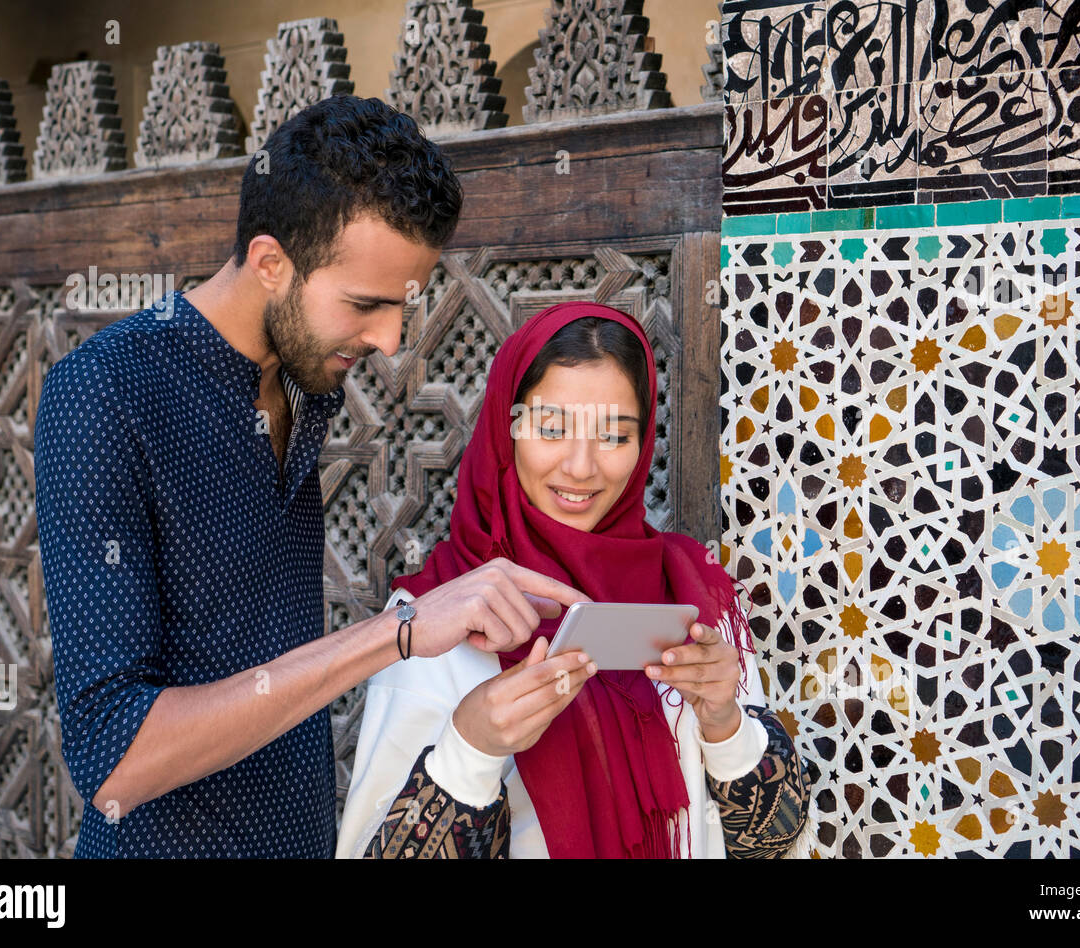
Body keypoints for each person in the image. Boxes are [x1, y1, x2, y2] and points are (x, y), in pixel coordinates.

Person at [34, 95, 588, 858]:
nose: (390, 341)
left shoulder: (306, 381)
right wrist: (395, 635)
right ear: (270, 263)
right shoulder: (102, 395)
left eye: (402, 306)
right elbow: (114, 760)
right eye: (365, 304)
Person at [337, 303, 816, 858]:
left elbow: (773, 845)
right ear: (505, 429)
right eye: (551, 428)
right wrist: (472, 747)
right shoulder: (432, 618)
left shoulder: (695, 596)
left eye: (614, 436)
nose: (582, 467)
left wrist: (726, 721)